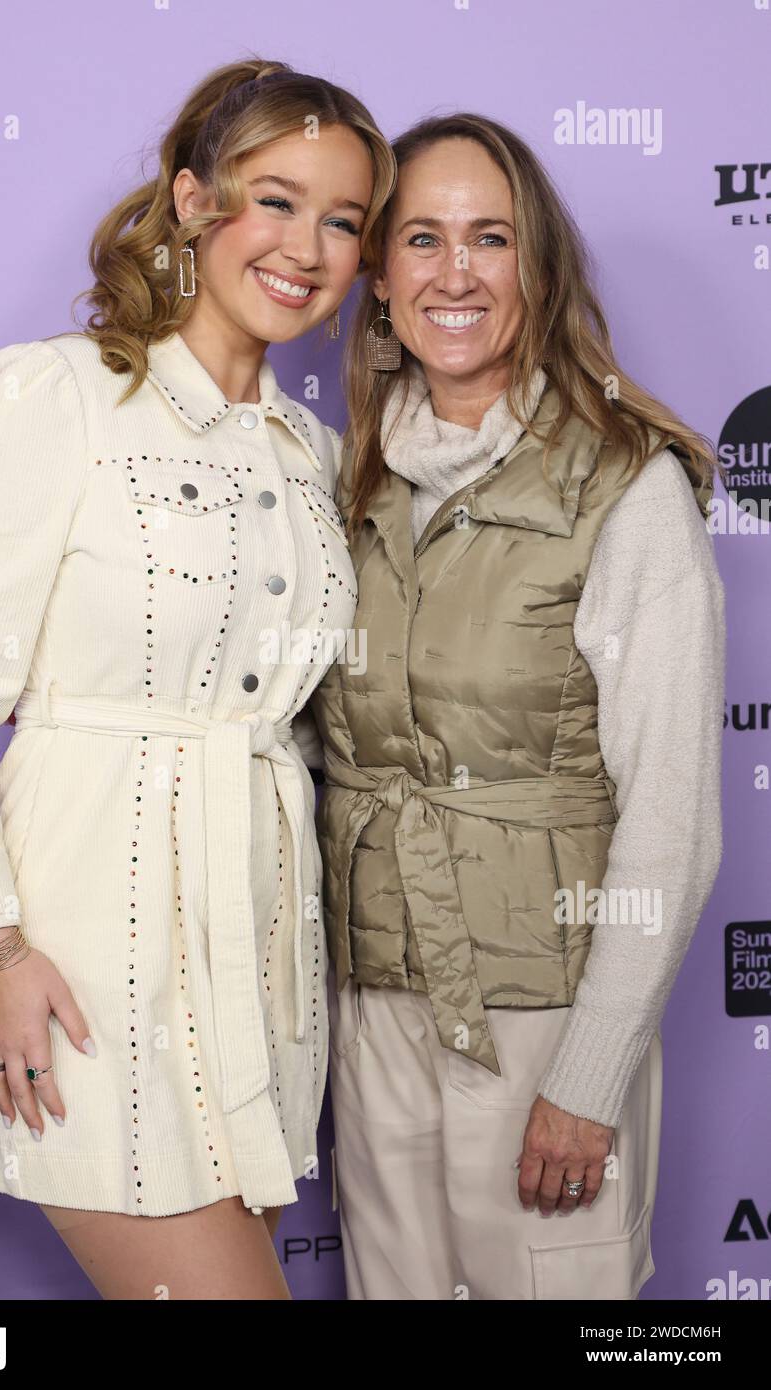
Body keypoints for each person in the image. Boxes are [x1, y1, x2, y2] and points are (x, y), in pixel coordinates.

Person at [0, 57, 395, 1301]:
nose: (307, 246)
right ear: (192, 200)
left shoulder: (312, 455)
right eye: (274, 199)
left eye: (342, 220)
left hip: (264, 958)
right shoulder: (59, 393)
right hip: (87, 961)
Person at [309, 113, 726, 1300]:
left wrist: (588, 1075)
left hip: (542, 1012)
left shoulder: (626, 489)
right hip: (376, 1006)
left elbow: (672, 822)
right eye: (421, 240)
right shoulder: (341, 485)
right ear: (380, 282)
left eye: (487, 238)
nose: (453, 273)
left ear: (534, 268)